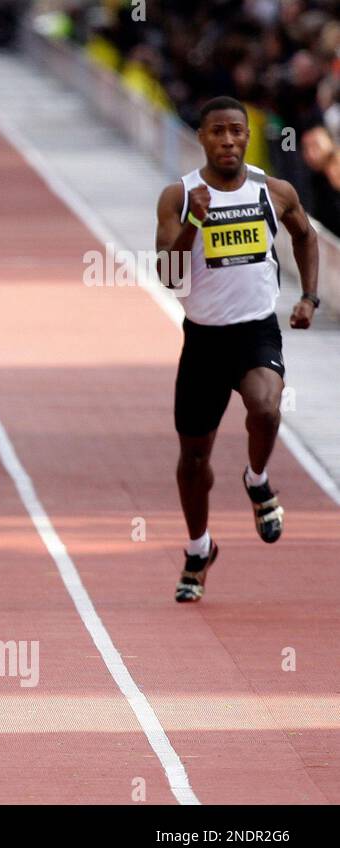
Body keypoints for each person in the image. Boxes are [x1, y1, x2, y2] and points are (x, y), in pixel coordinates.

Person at [154, 96, 320, 603]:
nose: (228, 140)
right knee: (193, 460)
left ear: (247, 136)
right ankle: (199, 549)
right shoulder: (179, 196)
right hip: (203, 340)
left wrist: (309, 297)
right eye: (217, 132)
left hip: (256, 331)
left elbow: (306, 236)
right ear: (201, 138)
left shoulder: (274, 191)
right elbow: (169, 276)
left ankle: (257, 478)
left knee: (266, 406)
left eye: (236, 131)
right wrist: (193, 223)